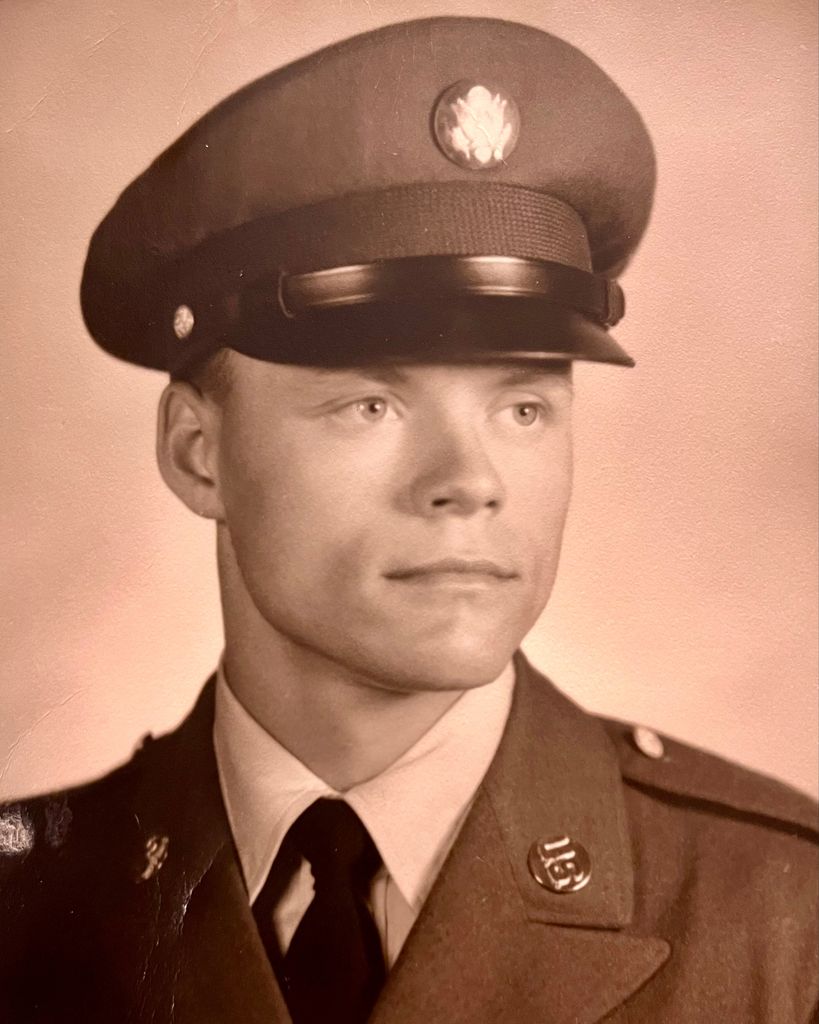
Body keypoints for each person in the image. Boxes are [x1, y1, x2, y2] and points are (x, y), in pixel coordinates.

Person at [0, 16, 816, 1024]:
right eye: (370, 405)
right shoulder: (30, 905)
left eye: (522, 408)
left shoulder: (782, 919)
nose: (467, 481)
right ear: (196, 453)